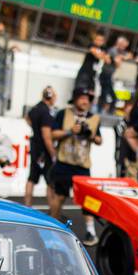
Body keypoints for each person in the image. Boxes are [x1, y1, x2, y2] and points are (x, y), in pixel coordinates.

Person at [45, 87, 102, 233]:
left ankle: (90, 231)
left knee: (88, 200)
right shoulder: (63, 113)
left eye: (87, 98)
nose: (85, 101)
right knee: (59, 197)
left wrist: (91, 135)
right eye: (82, 98)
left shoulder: (94, 118)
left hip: (82, 165)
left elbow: (99, 140)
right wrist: (70, 131)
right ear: (75, 99)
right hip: (64, 163)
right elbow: (53, 134)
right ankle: (53, 227)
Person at [24, 85, 57, 209]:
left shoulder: (36, 108)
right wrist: (53, 154)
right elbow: (46, 136)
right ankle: (53, 209)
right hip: (43, 150)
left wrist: (34, 128)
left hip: (35, 146)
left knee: (32, 177)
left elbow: (27, 118)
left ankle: (27, 205)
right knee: (50, 181)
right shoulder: (46, 113)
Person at [98, 36, 129, 113]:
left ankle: (104, 110)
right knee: (105, 95)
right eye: (123, 46)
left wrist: (122, 57)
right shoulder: (113, 50)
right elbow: (118, 63)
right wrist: (122, 57)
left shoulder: (118, 52)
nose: (123, 48)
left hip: (108, 76)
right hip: (105, 75)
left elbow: (128, 56)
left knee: (106, 95)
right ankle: (100, 111)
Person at [75, 31, 107, 96]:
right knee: (80, 92)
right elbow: (98, 55)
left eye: (100, 40)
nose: (98, 41)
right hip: (84, 73)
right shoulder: (91, 45)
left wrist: (102, 55)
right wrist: (101, 54)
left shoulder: (103, 48)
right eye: (97, 39)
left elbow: (107, 59)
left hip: (93, 75)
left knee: (91, 94)